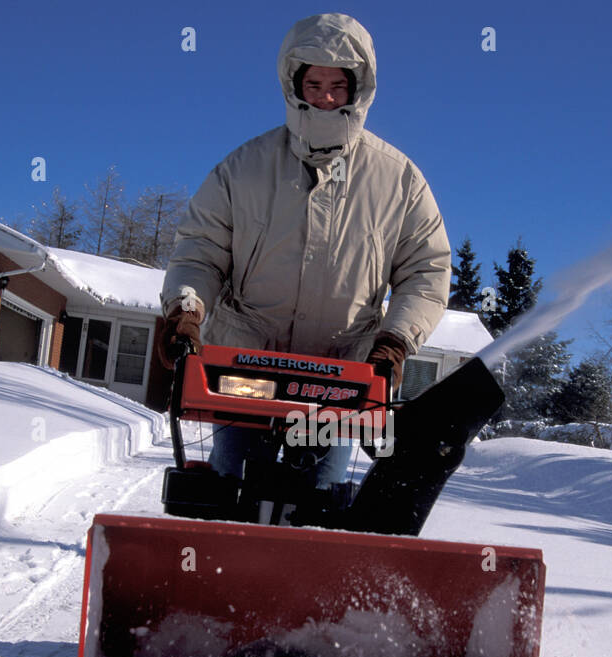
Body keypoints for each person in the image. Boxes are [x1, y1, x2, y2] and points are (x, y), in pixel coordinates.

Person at [159, 12, 450, 488]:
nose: (326, 98)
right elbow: (199, 252)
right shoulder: (244, 169)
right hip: (244, 371)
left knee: (319, 508)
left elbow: (427, 271)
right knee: (230, 492)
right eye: (314, 84)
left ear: (360, 89)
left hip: (339, 382)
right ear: (293, 84)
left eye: (337, 85)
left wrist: (395, 340)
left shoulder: (398, 180)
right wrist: (186, 311)